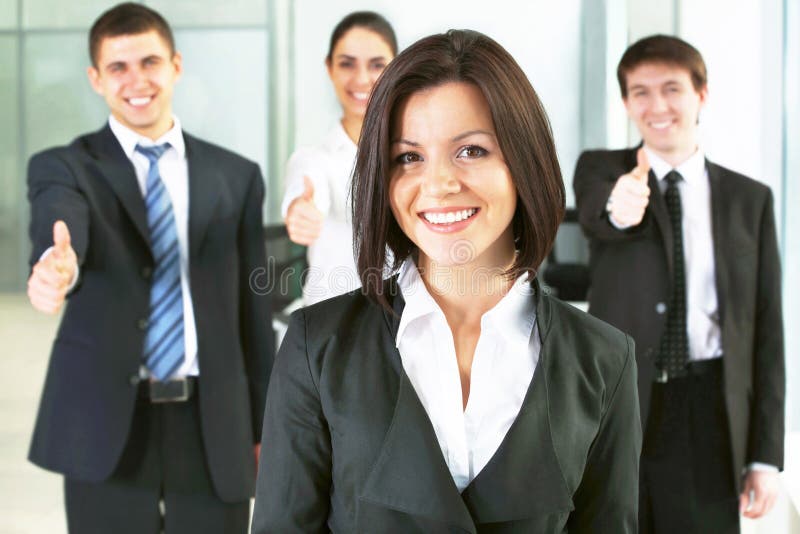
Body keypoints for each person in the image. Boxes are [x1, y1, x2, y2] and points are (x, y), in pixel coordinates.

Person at [252, 29, 640, 533]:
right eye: (408, 157)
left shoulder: (603, 360)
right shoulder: (315, 347)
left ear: (524, 161)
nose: (438, 184)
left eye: (471, 150)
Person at [24, 3, 273, 532]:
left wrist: (267, 425)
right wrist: (54, 262)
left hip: (214, 423)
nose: (137, 80)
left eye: (150, 62)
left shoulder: (238, 176)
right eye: (117, 67)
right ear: (95, 78)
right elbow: (58, 218)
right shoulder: (67, 167)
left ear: (176, 66)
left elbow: (254, 312)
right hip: (108, 419)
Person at [573, 34, 784, 534]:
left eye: (672, 88)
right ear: (626, 103)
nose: (657, 105)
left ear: (701, 95)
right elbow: (599, 212)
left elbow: (768, 330)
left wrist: (765, 456)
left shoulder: (749, 200)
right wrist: (619, 206)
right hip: (618, 406)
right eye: (640, 92)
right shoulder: (603, 170)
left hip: (710, 410)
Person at [281, 11, 397, 305]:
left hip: (402, 323)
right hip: (332, 330)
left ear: (396, 68)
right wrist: (299, 208)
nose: (361, 78)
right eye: (347, 64)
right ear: (329, 68)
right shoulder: (313, 158)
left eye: (377, 65)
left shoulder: (416, 156)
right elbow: (304, 187)